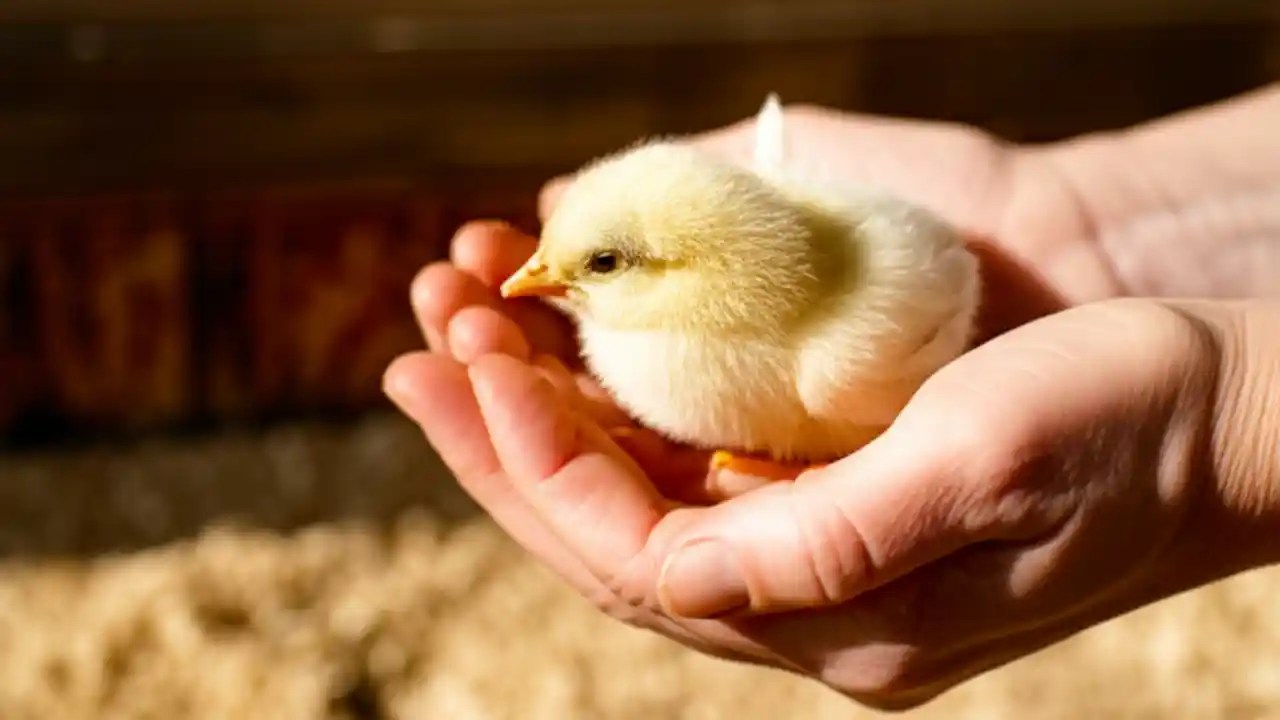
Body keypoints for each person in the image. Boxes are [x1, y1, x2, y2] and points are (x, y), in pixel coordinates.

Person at [382, 83, 1280, 710]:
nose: (540, 275)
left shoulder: (849, 348)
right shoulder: (639, 333)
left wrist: (1228, 419)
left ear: (691, 275)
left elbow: (957, 270)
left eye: (599, 264)